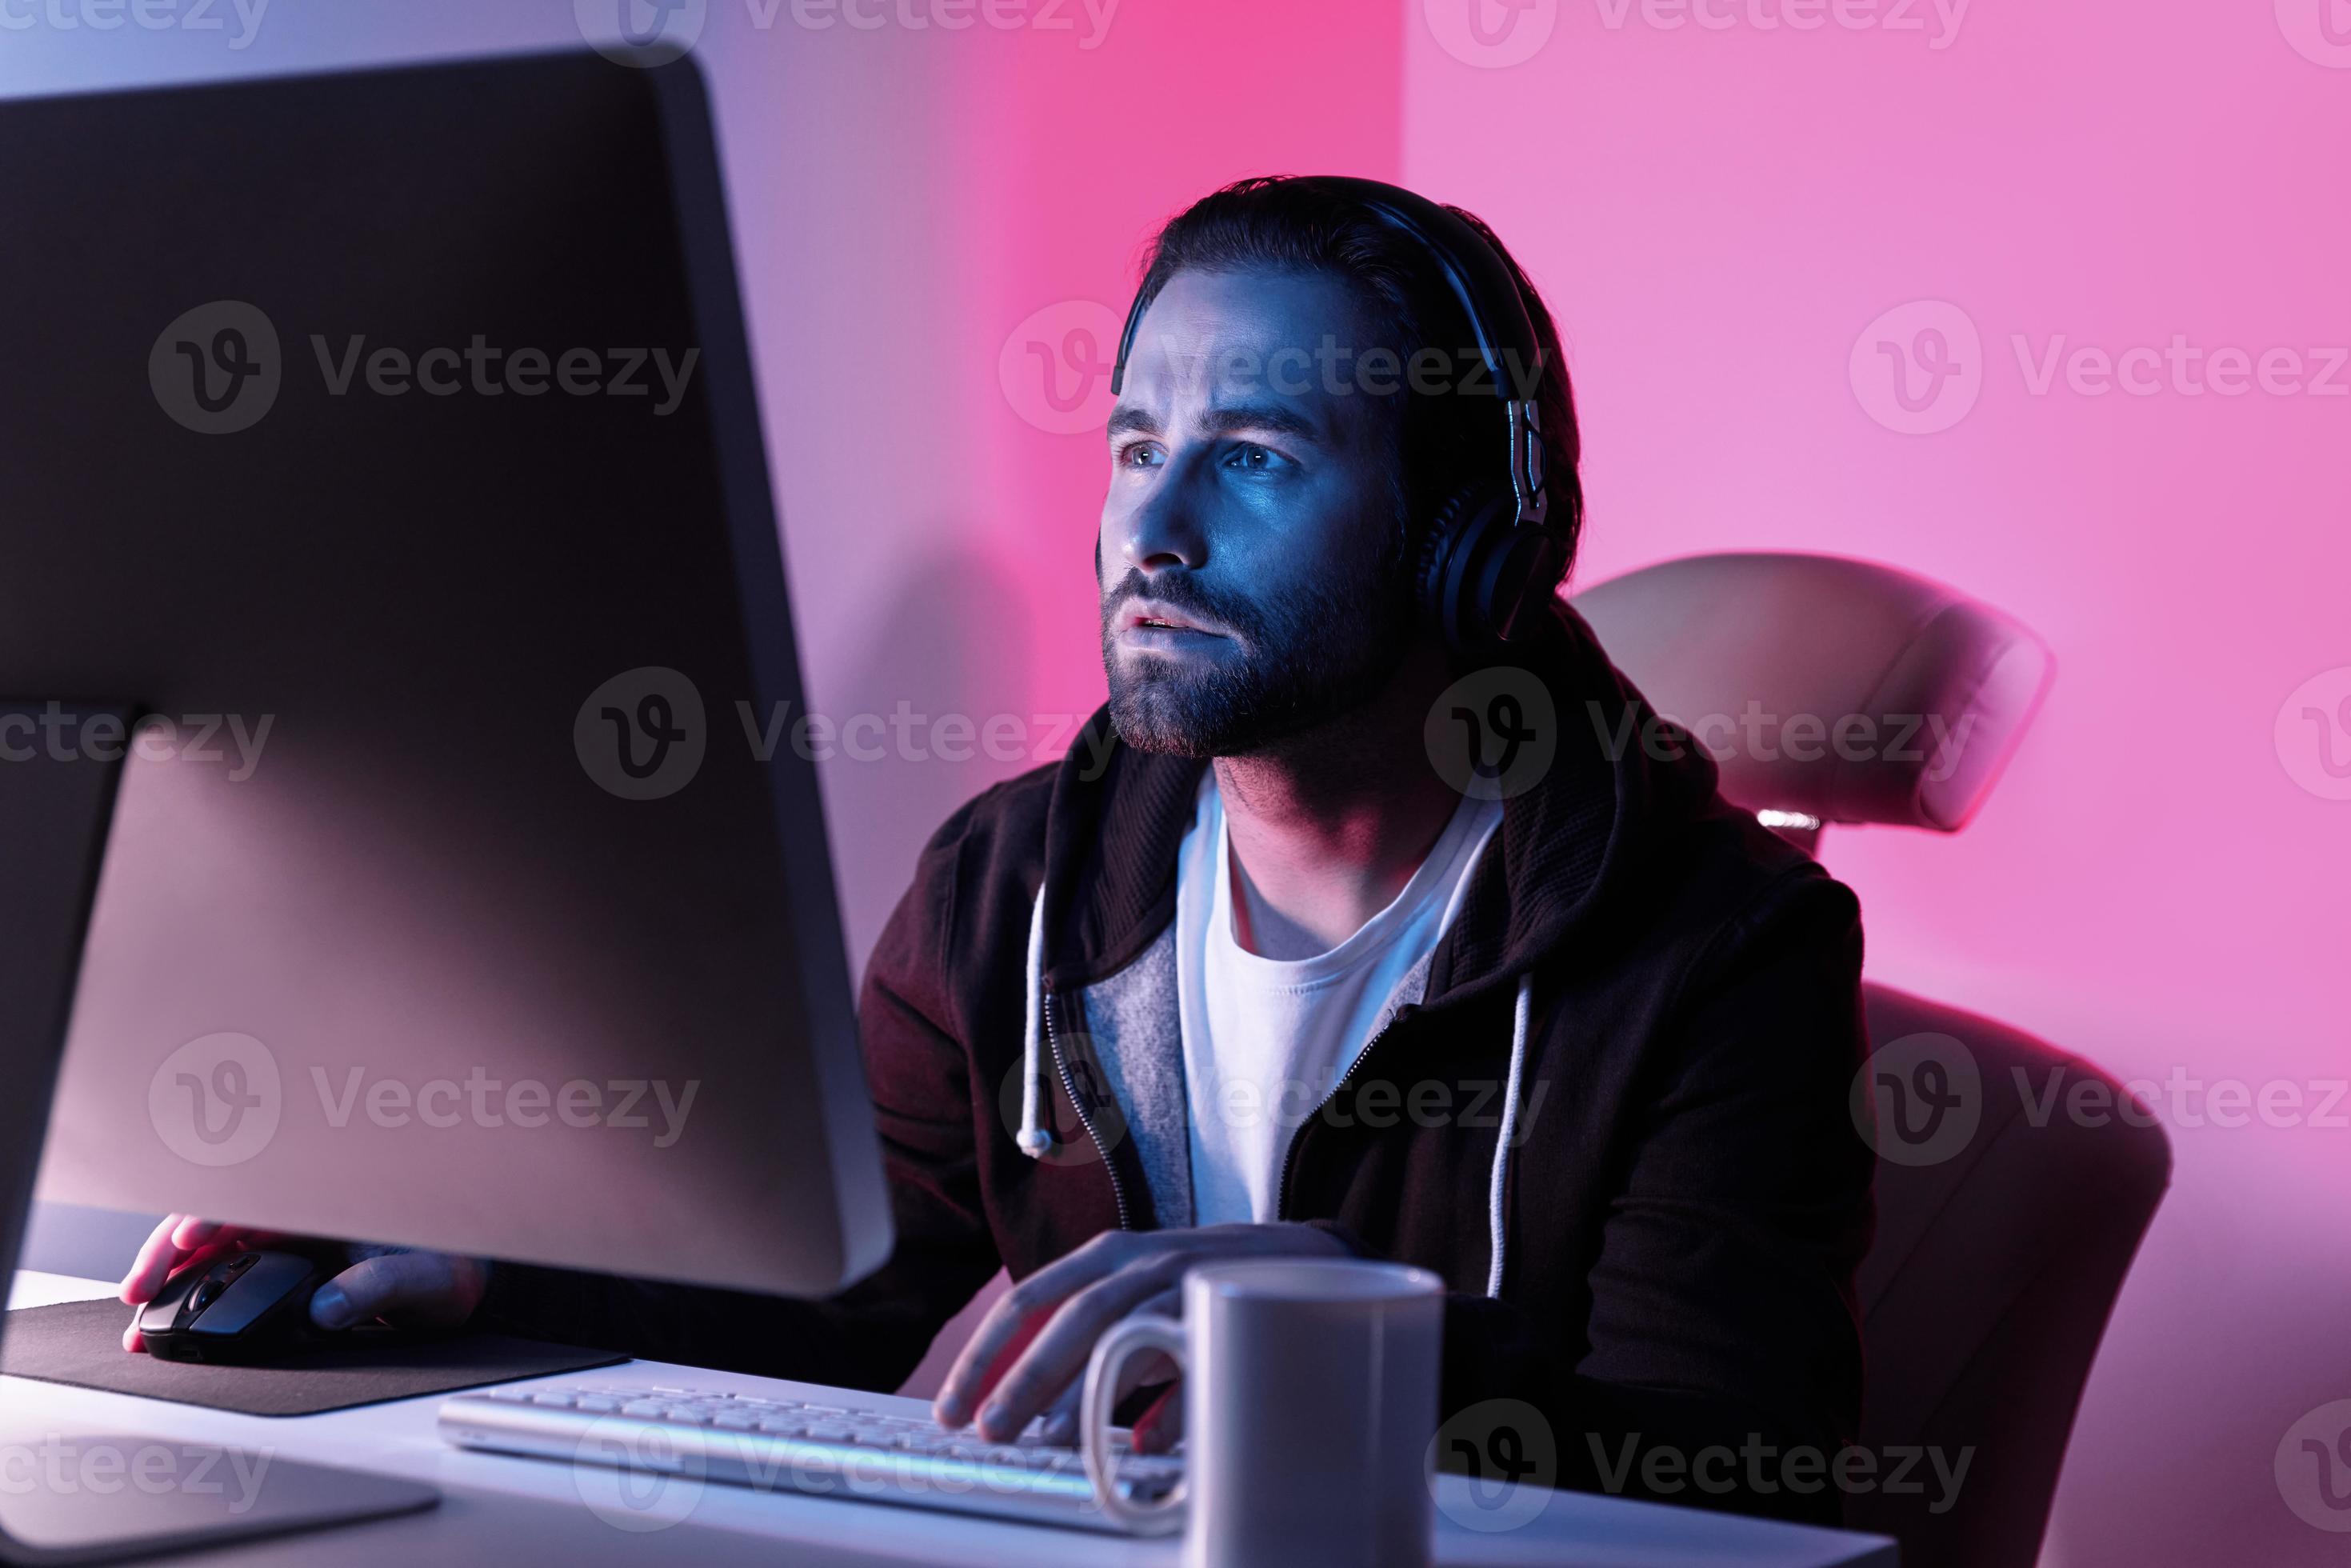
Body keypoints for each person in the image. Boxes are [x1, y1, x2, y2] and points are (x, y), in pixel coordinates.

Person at [119, 176, 1873, 1523]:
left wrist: (1339, 1345)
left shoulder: (1724, 946)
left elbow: (1721, 1476)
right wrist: (476, 1245)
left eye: (1253, 456)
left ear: (1468, 545)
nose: (1154, 531)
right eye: (1133, 446)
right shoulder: (1017, 884)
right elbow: (868, 1295)